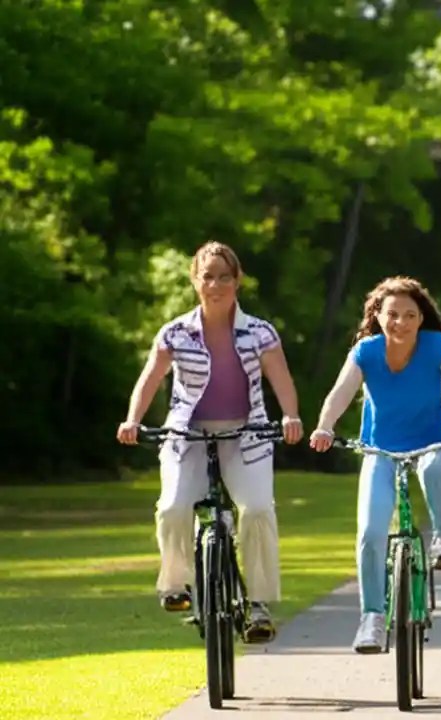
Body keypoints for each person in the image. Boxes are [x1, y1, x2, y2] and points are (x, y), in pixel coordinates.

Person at [116, 241, 305, 643]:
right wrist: (133, 421)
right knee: (172, 507)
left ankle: (258, 604)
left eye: (224, 276)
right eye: (208, 276)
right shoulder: (175, 332)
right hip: (188, 436)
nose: (216, 284)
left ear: (237, 281)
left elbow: (281, 379)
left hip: (246, 434)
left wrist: (290, 416)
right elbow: (150, 378)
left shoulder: (259, 332)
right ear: (194, 281)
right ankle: (177, 586)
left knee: (256, 510)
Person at [308, 276, 441, 654]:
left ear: (420, 318)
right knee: (370, 532)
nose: (401, 322)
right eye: (392, 314)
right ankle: (372, 618)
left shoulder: (436, 346)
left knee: (433, 468)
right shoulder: (366, 352)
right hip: (380, 449)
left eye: (410, 315)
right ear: (377, 316)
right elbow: (339, 395)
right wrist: (324, 427)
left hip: (431, 441)